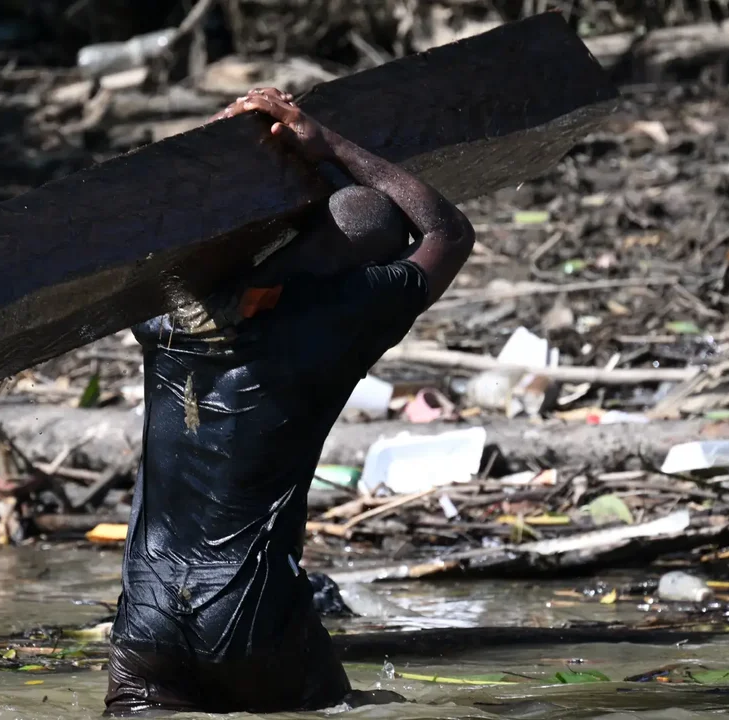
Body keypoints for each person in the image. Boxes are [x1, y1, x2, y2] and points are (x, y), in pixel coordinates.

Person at [105, 87, 474, 716]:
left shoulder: (170, 310)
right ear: (371, 267)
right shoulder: (347, 318)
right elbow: (447, 230)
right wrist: (328, 142)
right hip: (251, 611)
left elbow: (168, 224)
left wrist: (235, 150)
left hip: (146, 616)